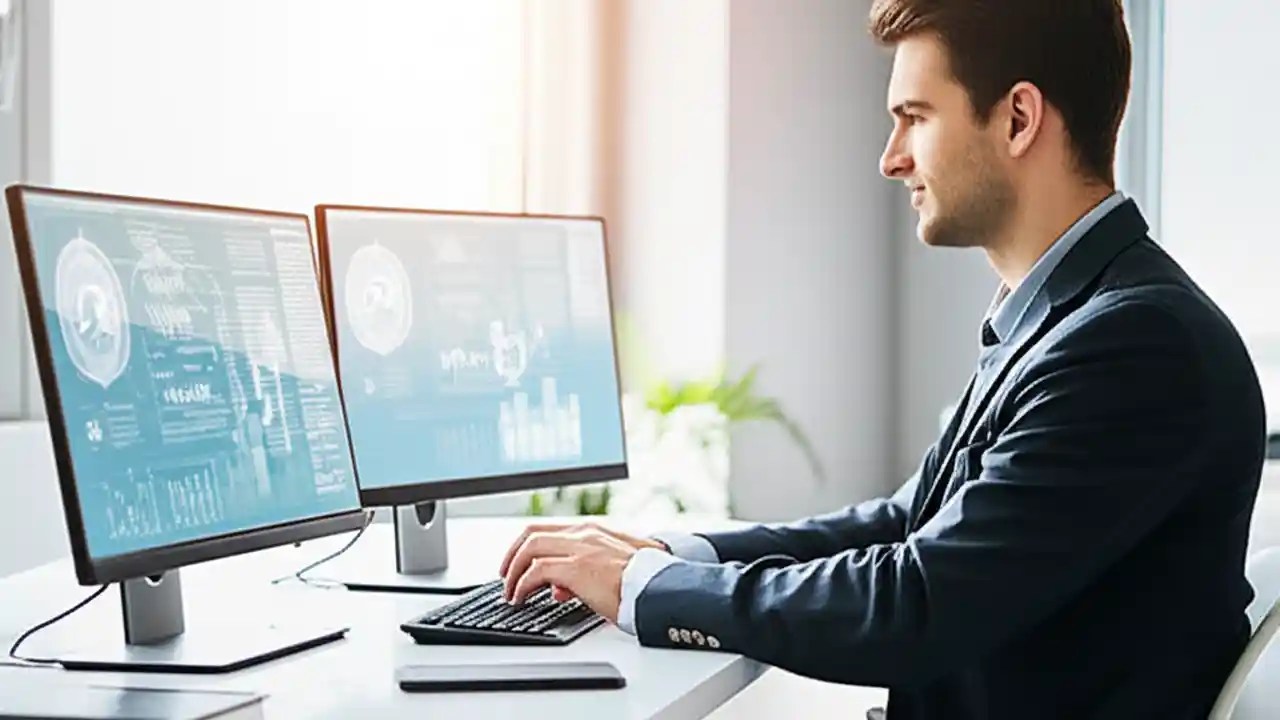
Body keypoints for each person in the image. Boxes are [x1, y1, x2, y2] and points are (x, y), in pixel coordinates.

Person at [498, 1, 1267, 717]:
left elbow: (919, 602)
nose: (891, 159)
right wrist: (670, 555)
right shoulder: (1069, 316)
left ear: (1018, 118)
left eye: (914, 117)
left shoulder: (1134, 345)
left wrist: (647, 588)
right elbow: (909, 523)